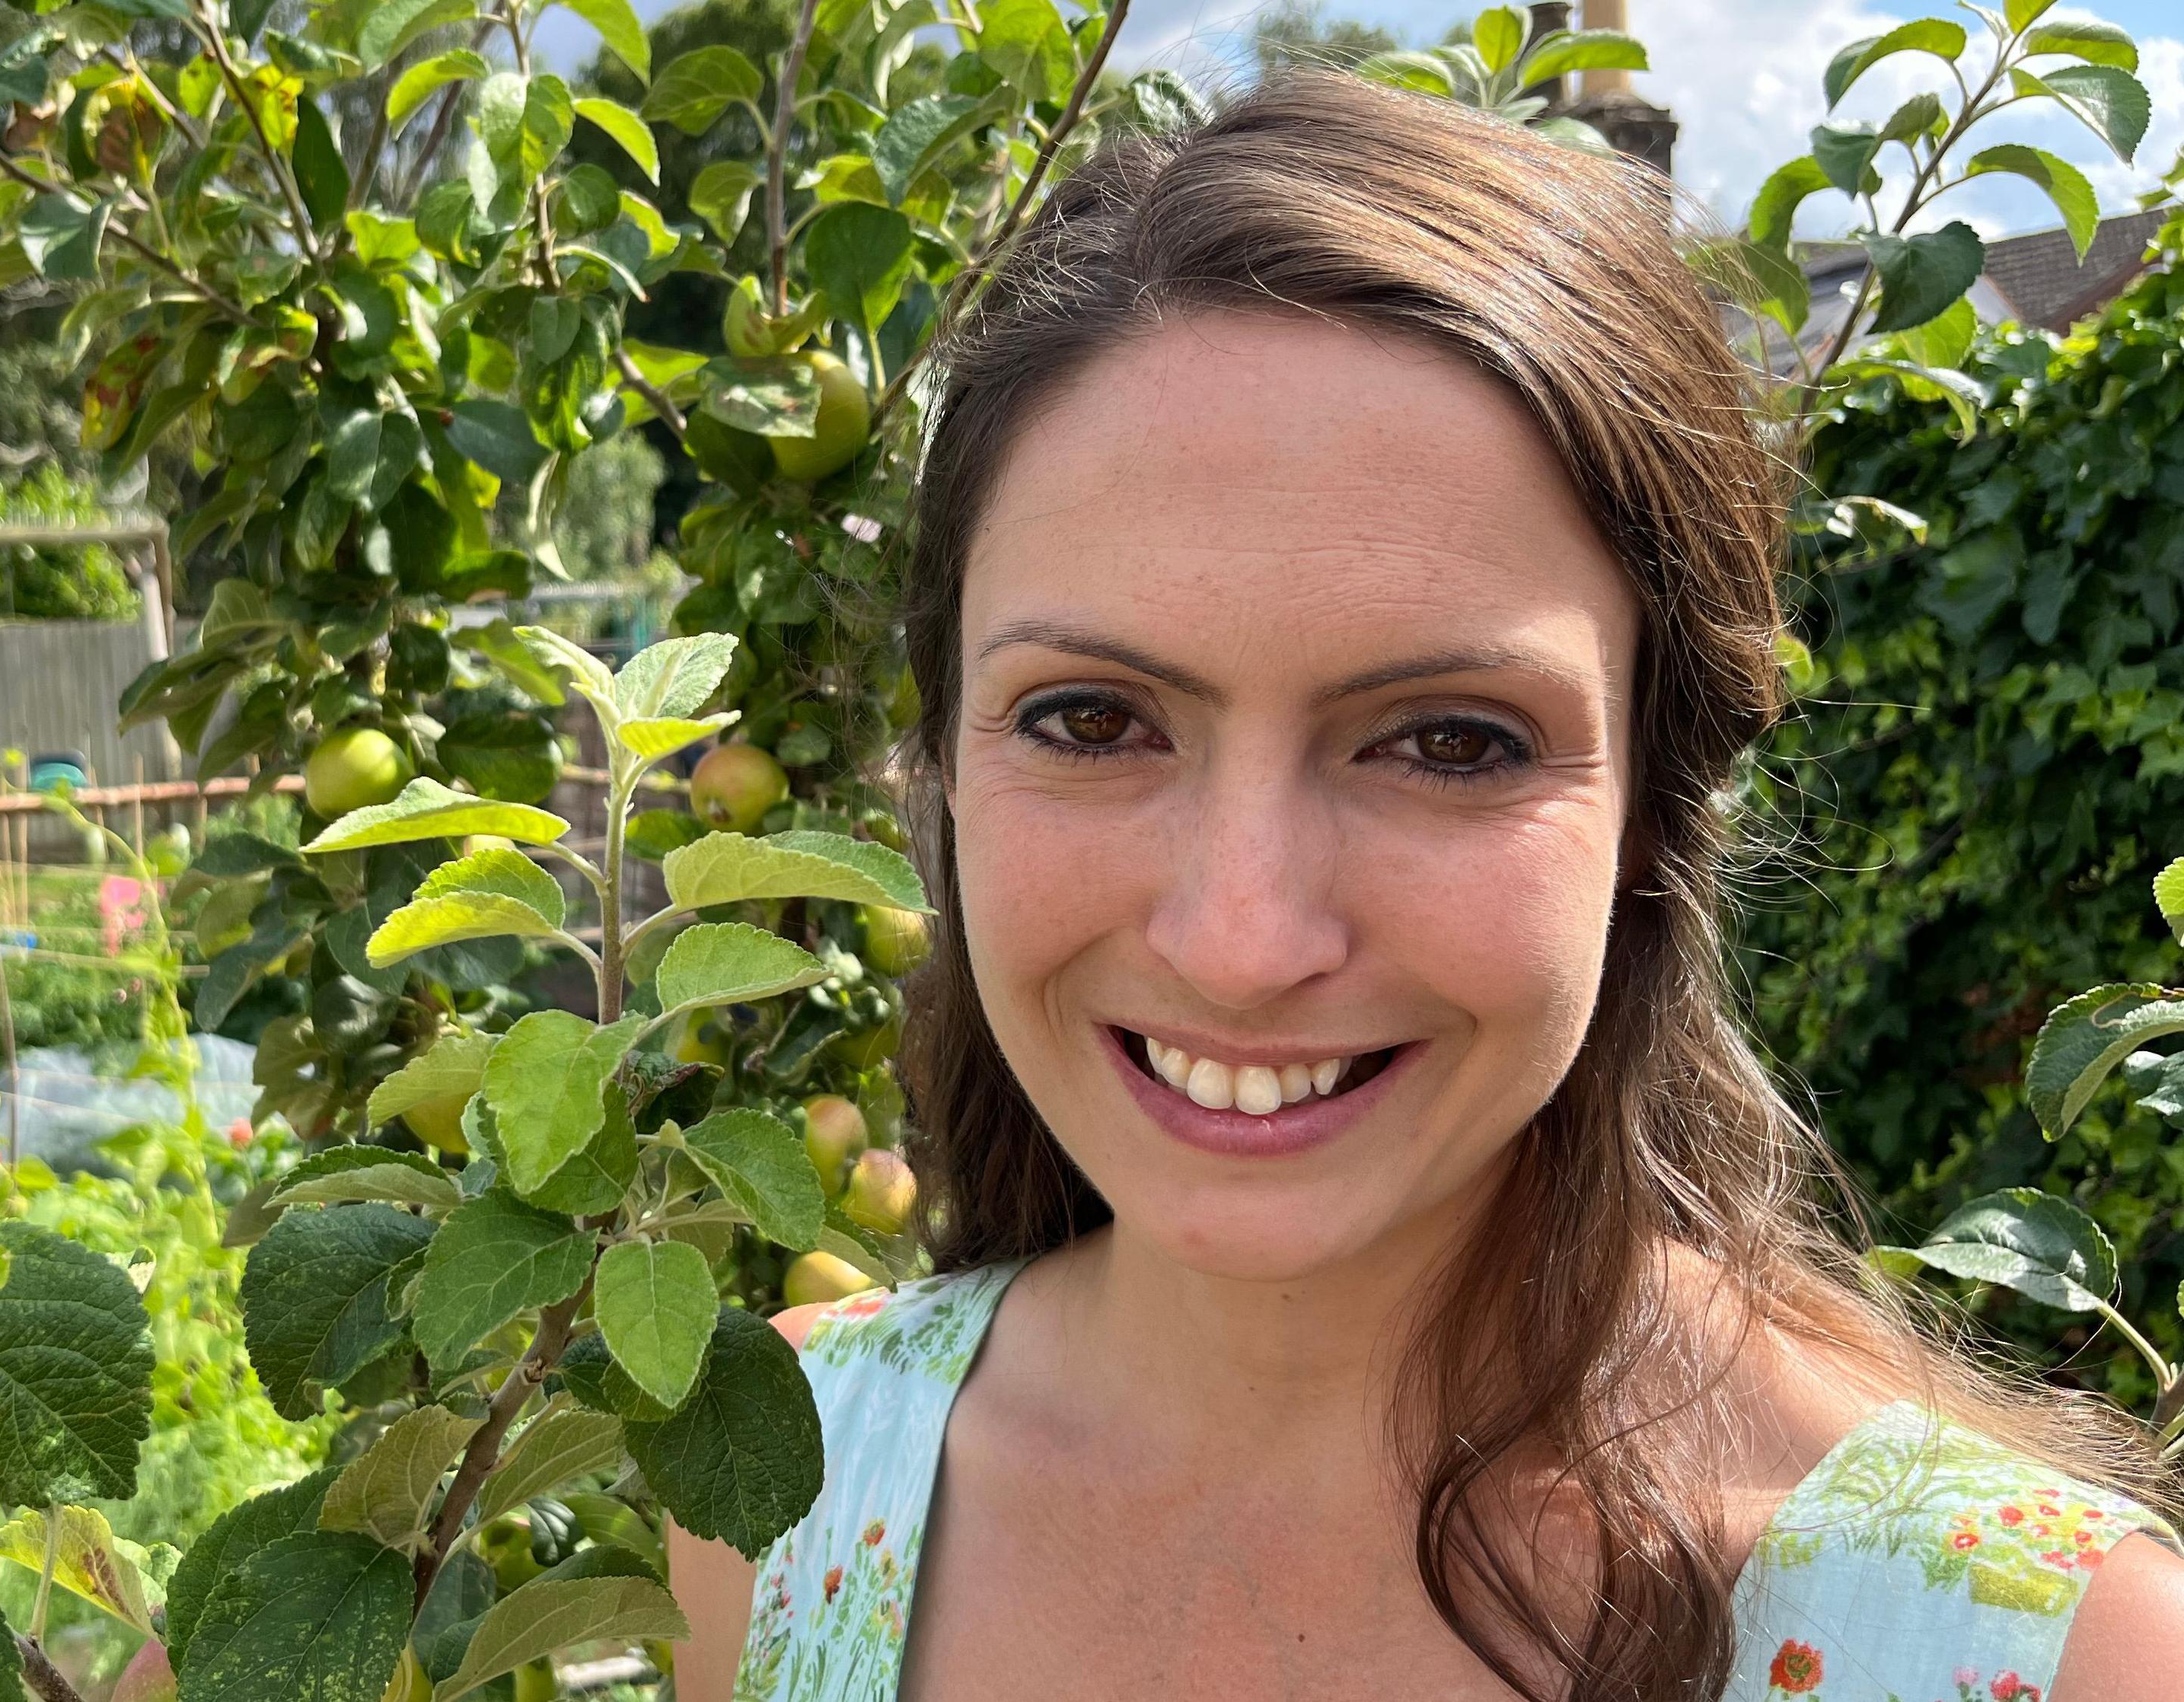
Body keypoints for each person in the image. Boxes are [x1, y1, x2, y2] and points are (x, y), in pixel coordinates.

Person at [666, 73, 2184, 1702]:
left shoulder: (2041, 1654)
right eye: (1091, 721)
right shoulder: (779, 1475)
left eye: (1450, 742)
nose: (1241, 943)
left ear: (1654, 804)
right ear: (946, 766)